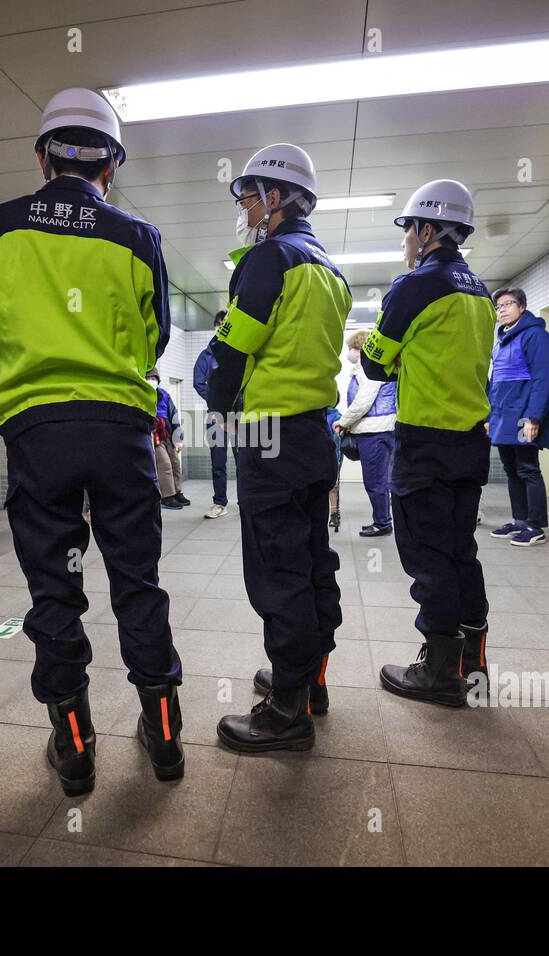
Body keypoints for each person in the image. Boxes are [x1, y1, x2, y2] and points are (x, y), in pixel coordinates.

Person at [0, 88, 184, 793]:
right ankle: (164, 733)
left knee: (53, 591)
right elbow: (155, 335)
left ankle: (73, 744)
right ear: (113, 164)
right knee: (137, 581)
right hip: (120, 426)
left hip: (36, 431)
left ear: (42, 157)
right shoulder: (137, 236)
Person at [208, 143, 349, 749]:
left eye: (249, 194)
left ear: (275, 197)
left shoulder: (270, 259)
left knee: (278, 569)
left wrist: (212, 388)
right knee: (312, 557)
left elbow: (233, 352)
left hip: (270, 436)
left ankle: (287, 713)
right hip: (315, 433)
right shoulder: (330, 270)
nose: (244, 205)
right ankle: (308, 681)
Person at [362, 179, 495, 705]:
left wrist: (397, 357)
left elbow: (374, 360)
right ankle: (473, 660)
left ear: (425, 229)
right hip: (470, 443)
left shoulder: (414, 286)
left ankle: (439, 671)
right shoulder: (480, 291)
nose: (404, 242)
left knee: (428, 555)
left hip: (424, 444)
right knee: (461, 550)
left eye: (407, 231)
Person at [485, 287, 549, 546]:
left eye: (508, 304)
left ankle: (535, 525)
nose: (502, 310)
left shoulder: (536, 336)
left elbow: (543, 379)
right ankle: (520, 521)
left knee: (528, 469)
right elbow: (496, 384)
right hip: (502, 417)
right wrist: (489, 415)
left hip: (523, 416)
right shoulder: (502, 339)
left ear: (522, 307)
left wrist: (534, 417)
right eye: (498, 306)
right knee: (511, 470)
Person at [334, 330, 397, 537]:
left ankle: (382, 523)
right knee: (381, 478)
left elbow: (363, 402)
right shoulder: (373, 368)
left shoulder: (370, 369)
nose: (349, 353)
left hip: (374, 432)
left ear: (361, 349)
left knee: (375, 480)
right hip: (380, 430)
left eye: (351, 348)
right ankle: (382, 520)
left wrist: (343, 422)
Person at [194, 310, 238, 518]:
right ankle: (219, 503)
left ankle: (247, 499)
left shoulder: (241, 351)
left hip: (239, 415)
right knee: (218, 461)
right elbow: (197, 382)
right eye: (219, 324)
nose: (222, 327)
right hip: (216, 417)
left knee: (245, 459)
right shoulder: (207, 354)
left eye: (225, 324)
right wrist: (217, 403)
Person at [148, 366, 189, 509]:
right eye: (148, 378)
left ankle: (177, 492)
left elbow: (174, 415)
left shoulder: (164, 394)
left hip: (167, 433)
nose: (151, 381)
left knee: (175, 463)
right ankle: (167, 496)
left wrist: (178, 438)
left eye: (153, 378)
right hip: (153, 434)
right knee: (164, 464)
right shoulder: (142, 394)